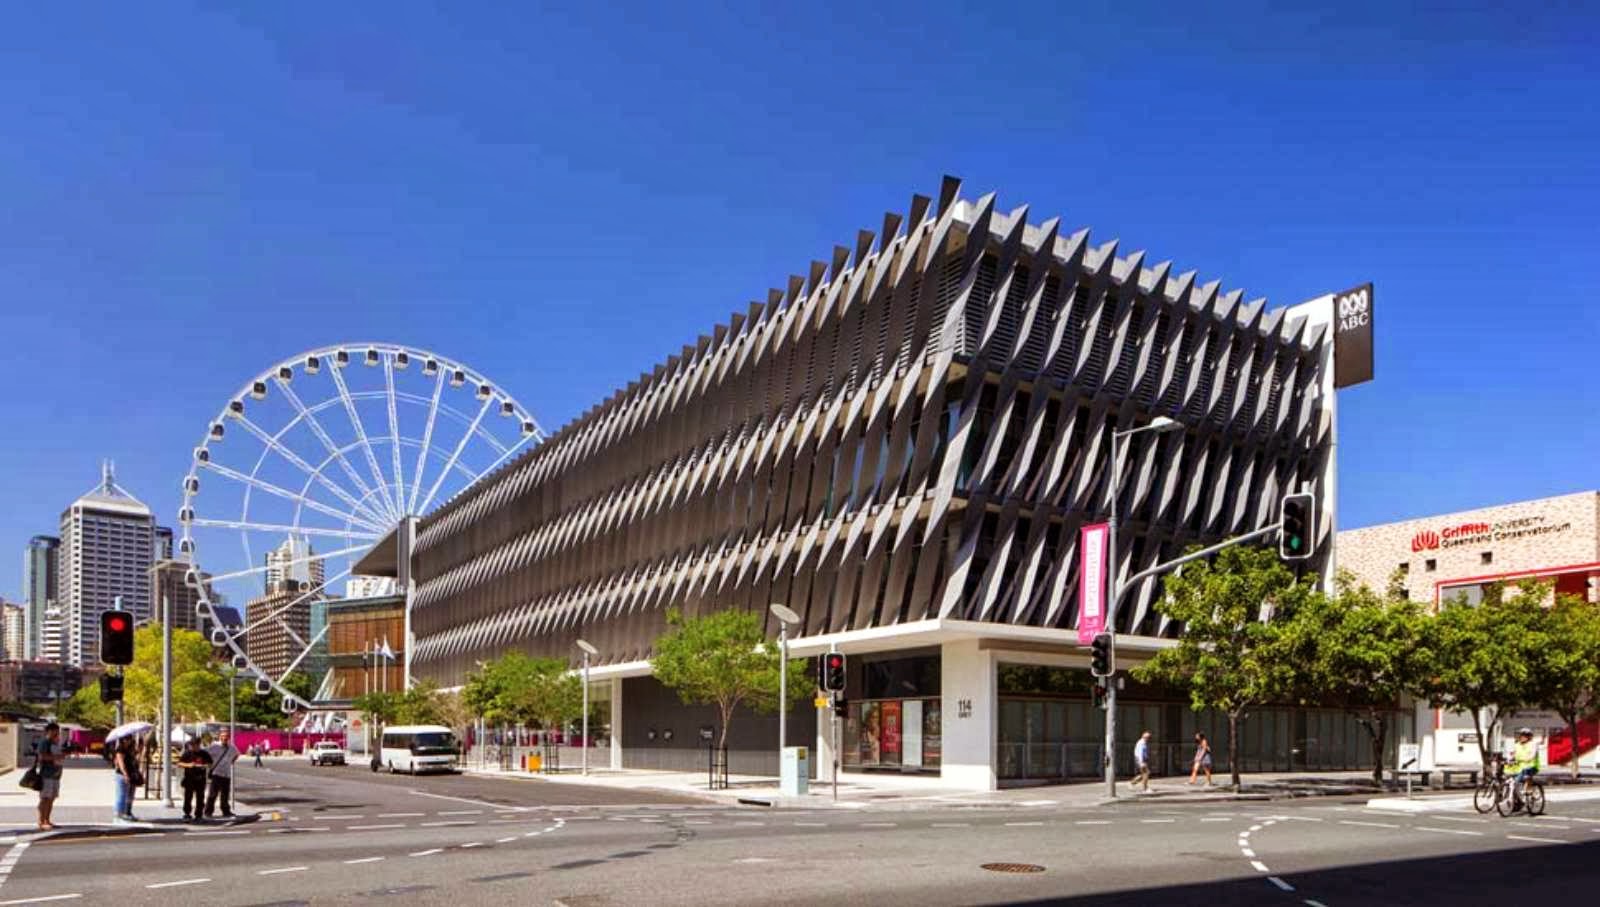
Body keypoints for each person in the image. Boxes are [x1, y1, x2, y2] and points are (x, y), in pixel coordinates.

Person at [34, 722, 64, 831]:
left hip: (56, 774)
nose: (57, 733)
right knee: (45, 798)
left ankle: (47, 819)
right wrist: (57, 756)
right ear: (49, 731)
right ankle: (41, 820)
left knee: (51, 798)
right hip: (47, 774)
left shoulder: (55, 742)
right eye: (55, 731)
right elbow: (42, 756)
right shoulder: (44, 742)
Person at [205, 729, 240, 819]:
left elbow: (237, 754)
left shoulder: (232, 747)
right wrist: (209, 764)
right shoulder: (214, 746)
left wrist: (231, 761)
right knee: (213, 794)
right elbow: (205, 754)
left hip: (226, 774)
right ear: (220, 737)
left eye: (226, 736)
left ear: (228, 737)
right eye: (223, 736)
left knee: (225, 795)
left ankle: (226, 811)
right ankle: (208, 812)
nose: (225, 738)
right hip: (216, 773)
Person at [178, 738, 212, 822]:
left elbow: (210, 763)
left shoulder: (204, 753)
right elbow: (179, 763)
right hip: (189, 778)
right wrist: (188, 765)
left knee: (200, 797)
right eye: (191, 745)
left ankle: (199, 815)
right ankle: (187, 813)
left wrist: (204, 765)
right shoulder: (187, 753)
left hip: (200, 779)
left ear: (198, 744)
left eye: (194, 745)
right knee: (188, 797)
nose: (192, 746)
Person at [111, 736, 139, 821]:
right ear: (123, 740)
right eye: (127, 739)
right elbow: (121, 764)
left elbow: (134, 761)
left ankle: (126, 812)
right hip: (122, 775)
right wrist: (125, 774)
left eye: (130, 739)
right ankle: (119, 813)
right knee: (121, 794)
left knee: (128, 795)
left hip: (130, 774)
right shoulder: (120, 750)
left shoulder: (130, 750)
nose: (129, 741)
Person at [1508, 727, 1540, 800]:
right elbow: (1513, 754)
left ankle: (1529, 790)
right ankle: (1516, 797)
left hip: (1532, 766)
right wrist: (1510, 759)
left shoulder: (1533, 744)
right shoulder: (1517, 744)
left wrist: (1528, 758)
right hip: (1520, 766)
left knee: (1524, 775)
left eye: (1524, 735)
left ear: (1529, 737)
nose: (1522, 737)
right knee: (1510, 777)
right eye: (1521, 735)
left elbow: (1533, 754)